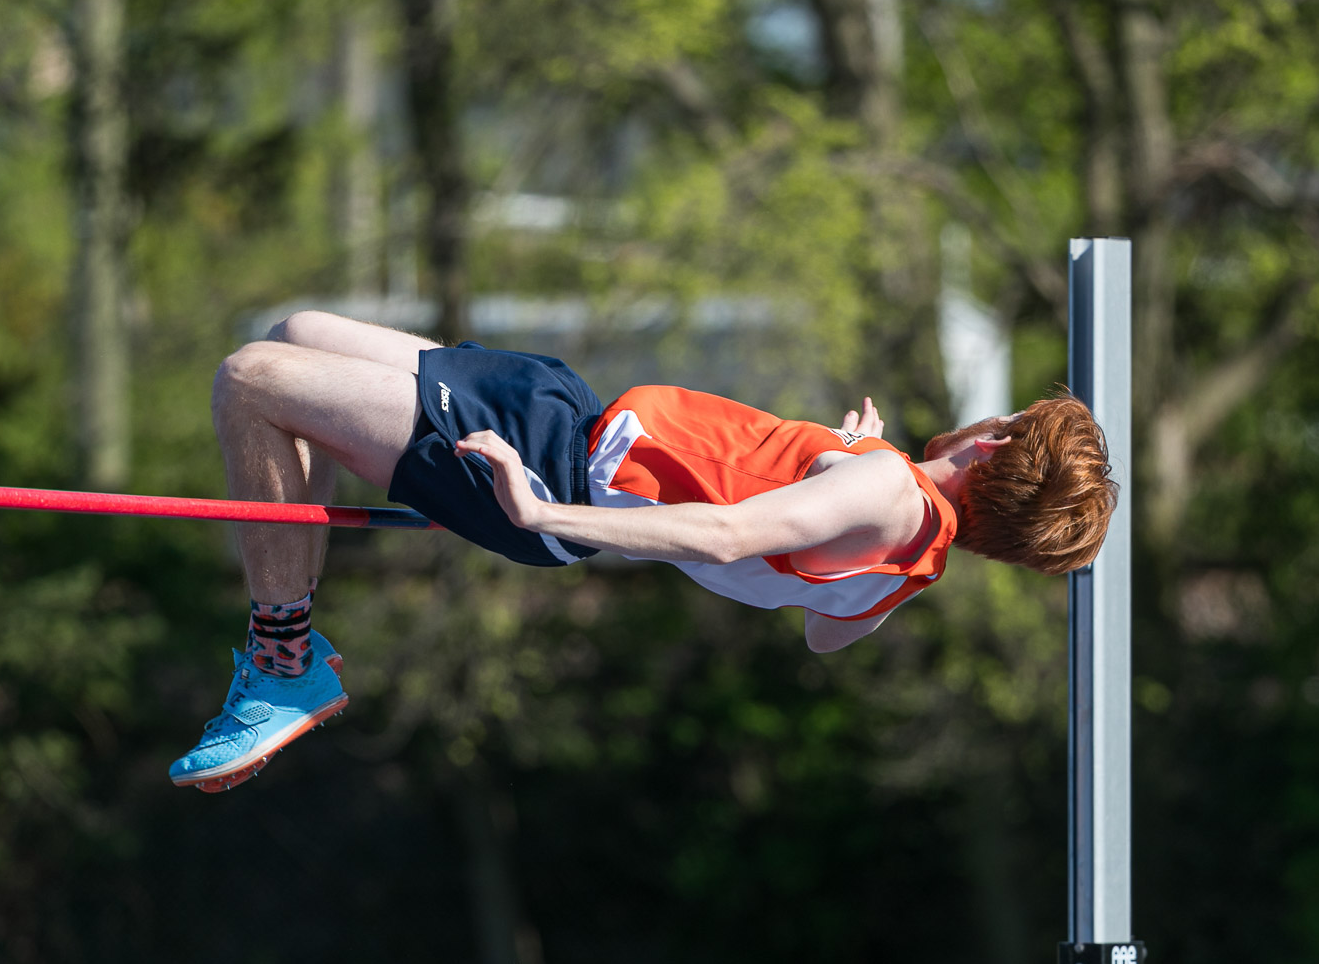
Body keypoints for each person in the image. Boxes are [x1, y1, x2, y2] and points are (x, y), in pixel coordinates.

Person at [169, 311, 1116, 791]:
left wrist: (543, 517)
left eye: (1006, 421)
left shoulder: (884, 494)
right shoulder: (910, 549)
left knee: (252, 380)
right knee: (297, 333)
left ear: (994, 448)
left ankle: (282, 654)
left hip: (555, 469)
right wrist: (837, 468)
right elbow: (820, 629)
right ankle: (288, 630)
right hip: (568, 413)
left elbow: (727, 534)